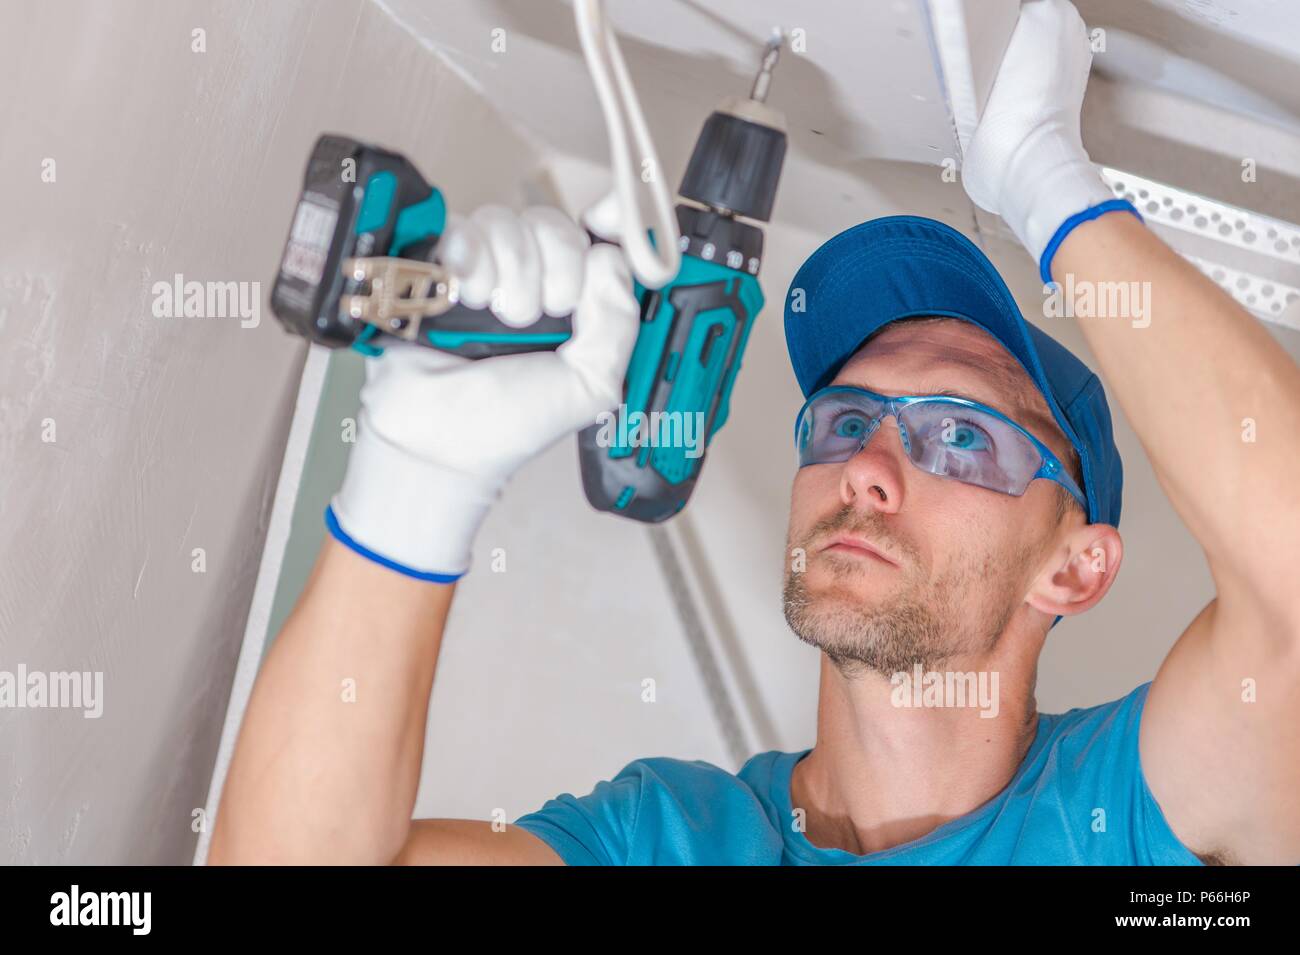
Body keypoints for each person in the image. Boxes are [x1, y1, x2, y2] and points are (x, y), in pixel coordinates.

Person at [209, 0, 1300, 865]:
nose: (868, 467)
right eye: (845, 419)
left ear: (1074, 566)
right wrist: (419, 476)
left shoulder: (1128, 808)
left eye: (962, 436)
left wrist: (1044, 183)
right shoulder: (665, 838)